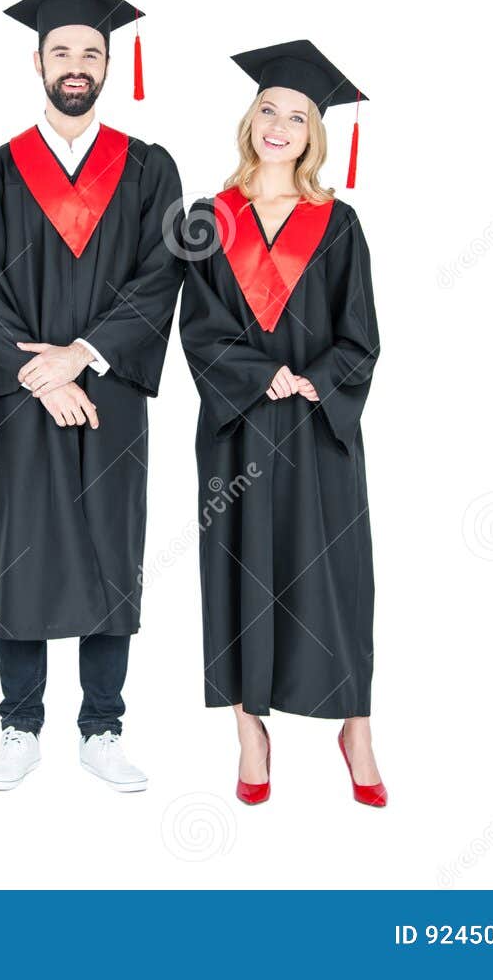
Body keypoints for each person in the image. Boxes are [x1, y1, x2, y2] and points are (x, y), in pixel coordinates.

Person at [0, 0, 185, 793]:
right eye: (62, 52)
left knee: (109, 548)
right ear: (38, 62)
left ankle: (103, 727)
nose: (76, 65)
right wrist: (39, 373)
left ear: (110, 63)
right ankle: (19, 725)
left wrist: (82, 354)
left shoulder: (149, 168)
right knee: (22, 549)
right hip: (25, 395)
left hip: (108, 390)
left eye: (91, 51)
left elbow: (162, 274)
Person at [177, 39, 387, 808]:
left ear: (314, 134)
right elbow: (198, 329)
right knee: (237, 574)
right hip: (237, 431)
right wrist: (258, 373)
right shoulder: (209, 220)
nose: (279, 126)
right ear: (250, 119)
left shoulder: (338, 223)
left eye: (297, 117)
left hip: (317, 430)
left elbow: (360, 335)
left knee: (338, 578)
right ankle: (249, 732)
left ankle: (355, 728)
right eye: (269, 109)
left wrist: (316, 380)